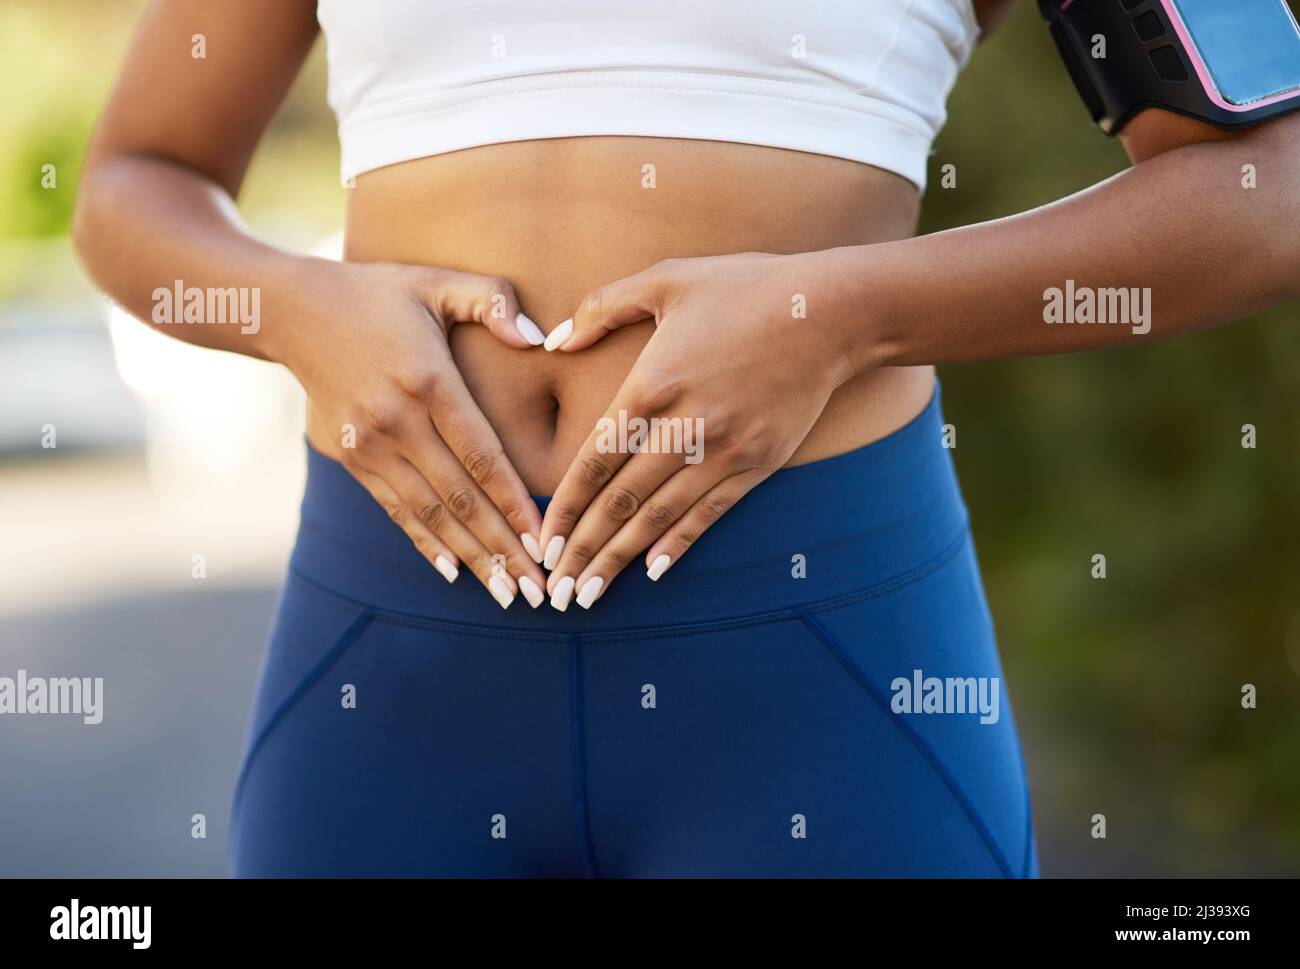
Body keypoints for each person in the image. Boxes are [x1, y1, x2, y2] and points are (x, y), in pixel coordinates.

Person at [72, 0, 1300, 876]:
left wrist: (837, 314)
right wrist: (293, 308)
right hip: (390, 637)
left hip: (814, 653)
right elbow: (136, 179)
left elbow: (1266, 197)